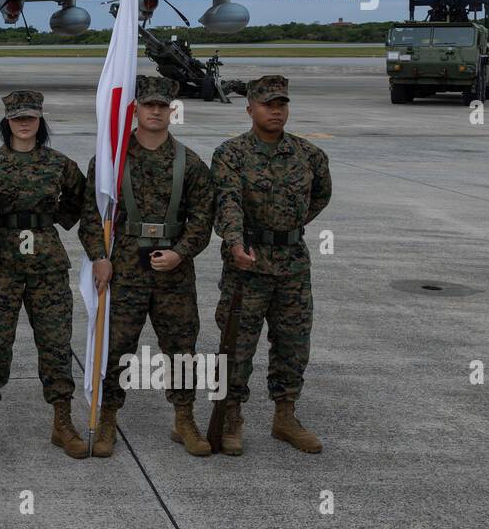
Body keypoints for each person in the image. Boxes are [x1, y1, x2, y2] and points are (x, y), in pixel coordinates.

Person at [79, 75, 215, 458]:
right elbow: (92, 214)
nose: (155, 111)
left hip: (173, 272)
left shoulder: (190, 163)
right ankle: (107, 417)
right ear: (135, 110)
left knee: (182, 346)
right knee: (117, 347)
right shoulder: (110, 161)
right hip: (123, 270)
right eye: (148, 105)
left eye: (162, 106)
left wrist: (181, 252)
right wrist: (99, 257)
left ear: (172, 110)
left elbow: (203, 219)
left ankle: (183, 418)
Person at [0, 90, 87, 458]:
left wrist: (59, 220)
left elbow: (80, 198)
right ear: (7, 122)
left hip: (47, 266)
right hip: (2, 265)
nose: (24, 122)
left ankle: (62, 422)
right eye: (17, 118)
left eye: (30, 116)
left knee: (56, 344)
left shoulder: (60, 164)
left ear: (40, 120)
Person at [210, 74, 331, 455]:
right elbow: (226, 202)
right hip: (247, 264)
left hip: (293, 263)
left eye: (282, 104)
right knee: (237, 345)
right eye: (267, 104)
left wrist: (286, 230)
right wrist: (235, 241)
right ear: (250, 109)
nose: (276, 110)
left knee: (293, 343)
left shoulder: (309, 154)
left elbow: (320, 197)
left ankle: (285, 415)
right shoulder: (231, 154)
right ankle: (231, 416)